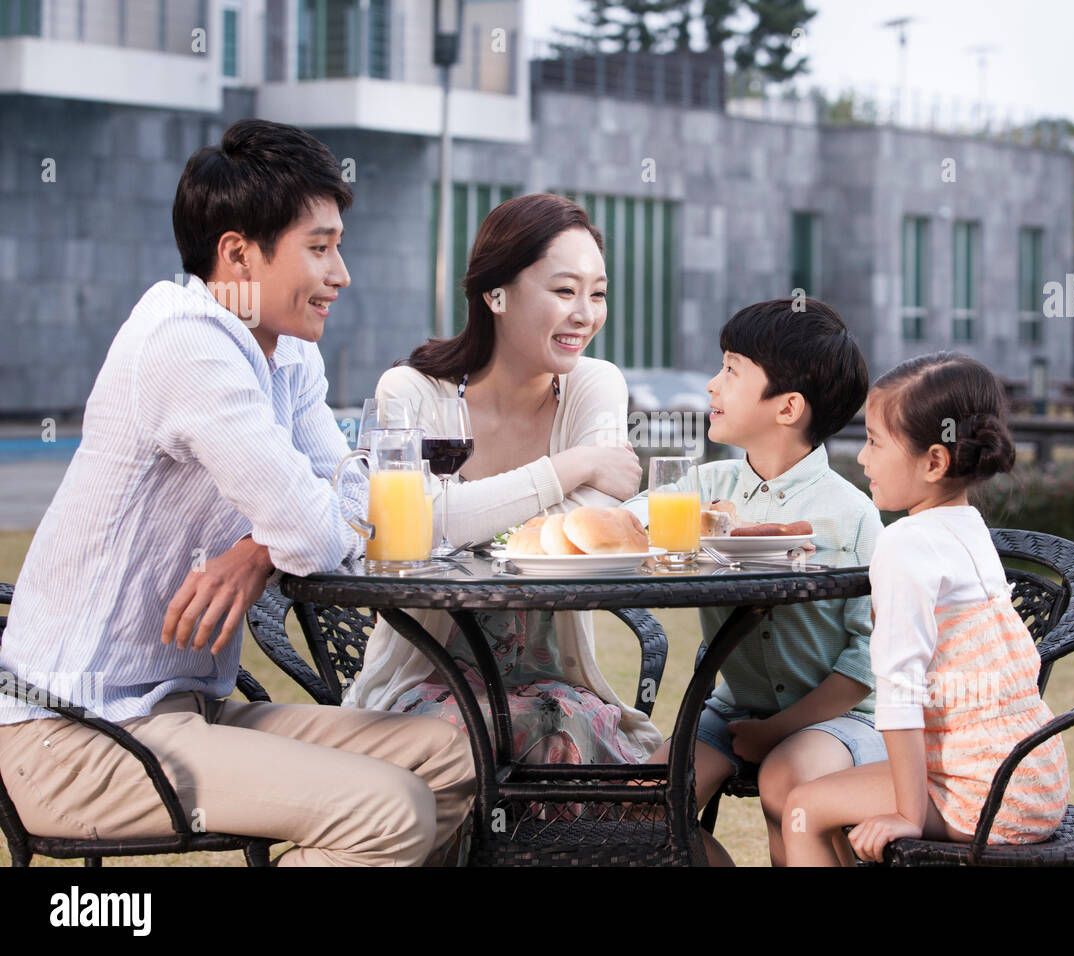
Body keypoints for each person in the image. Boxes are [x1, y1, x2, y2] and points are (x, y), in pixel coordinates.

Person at [0, 119, 475, 866]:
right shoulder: (186, 342)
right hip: (75, 735)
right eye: (318, 248)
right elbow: (319, 536)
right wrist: (283, 536)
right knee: (390, 810)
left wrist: (256, 552)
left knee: (455, 755)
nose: (340, 273)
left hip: (187, 709)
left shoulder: (285, 353)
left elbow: (361, 498)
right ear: (236, 253)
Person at [343, 194, 662, 764]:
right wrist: (576, 466)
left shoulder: (596, 385)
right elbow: (428, 521)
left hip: (557, 686)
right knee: (473, 734)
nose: (585, 313)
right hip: (421, 683)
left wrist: (472, 514)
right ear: (495, 294)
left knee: (560, 730)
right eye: (564, 291)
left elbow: (584, 530)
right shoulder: (412, 390)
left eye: (598, 292)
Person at [782, 352, 1070, 866]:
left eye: (873, 442)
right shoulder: (968, 526)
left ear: (934, 461)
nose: (863, 459)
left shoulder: (905, 543)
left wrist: (906, 815)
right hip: (1032, 777)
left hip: (980, 790)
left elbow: (900, 688)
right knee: (826, 799)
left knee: (802, 806)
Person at [625, 297, 883, 866]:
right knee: (637, 811)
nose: (712, 385)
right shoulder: (706, 483)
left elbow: (870, 658)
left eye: (732, 370)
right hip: (730, 710)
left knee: (788, 789)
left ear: (787, 406)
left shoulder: (852, 514)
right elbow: (630, 519)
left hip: (840, 718)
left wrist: (779, 731)